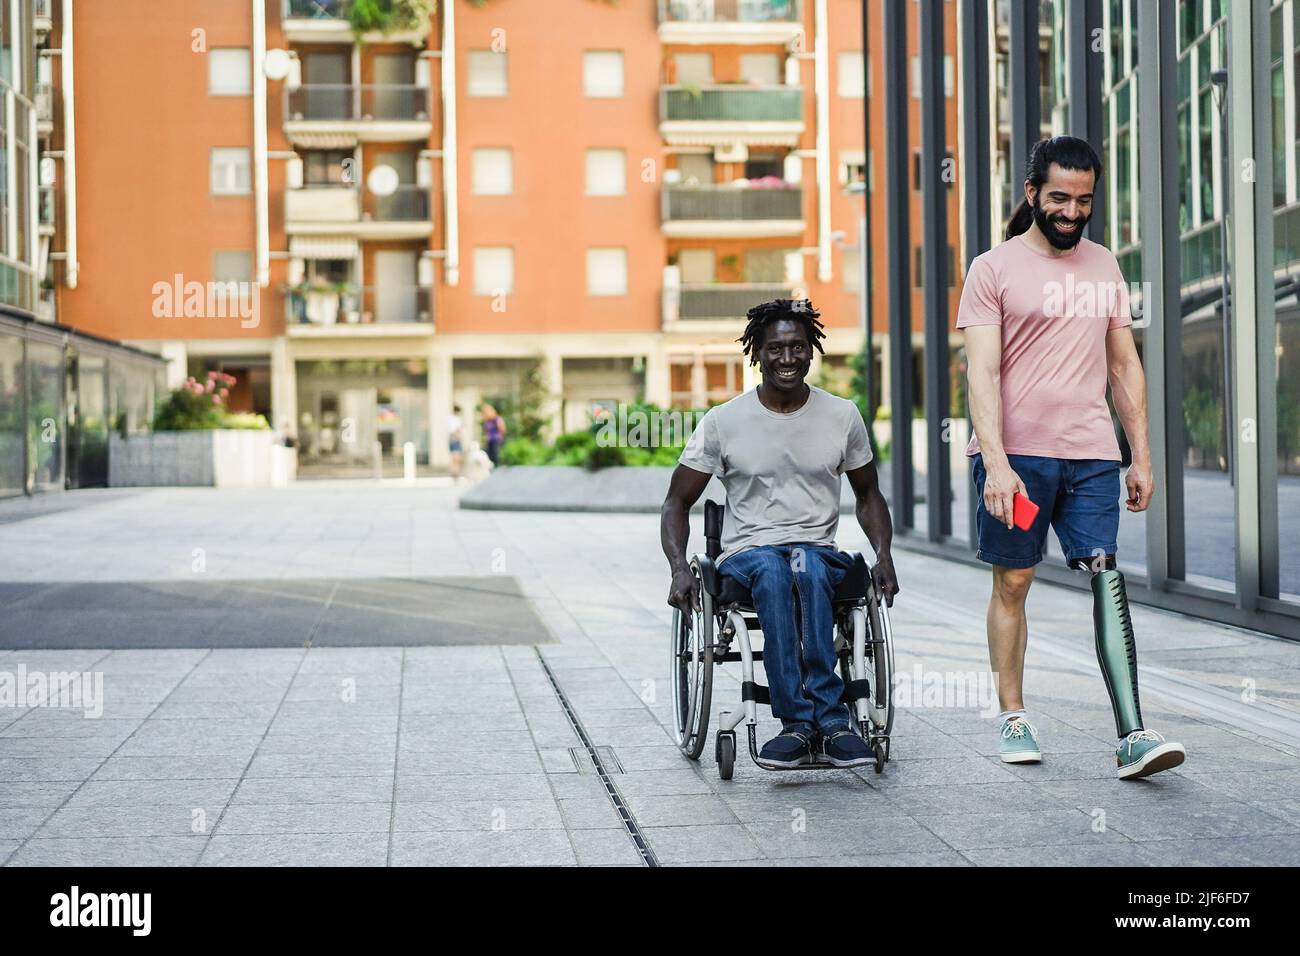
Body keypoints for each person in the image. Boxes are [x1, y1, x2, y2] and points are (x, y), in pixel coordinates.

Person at [960, 135, 1186, 779]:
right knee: (1014, 582)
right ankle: (1013, 715)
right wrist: (996, 463)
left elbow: (1124, 366)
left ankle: (1133, 734)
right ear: (1032, 193)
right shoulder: (992, 269)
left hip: (1090, 454)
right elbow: (981, 373)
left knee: (1106, 578)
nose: (1071, 211)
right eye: (1059, 197)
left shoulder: (1105, 266)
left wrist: (1140, 455)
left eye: (1083, 200)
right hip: (1019, 457)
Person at [661, 299, 899, 768]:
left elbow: (868, 494)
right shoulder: (724, 421)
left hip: (817, 551)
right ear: (757, 354)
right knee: (774, 567)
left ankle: (829, 724)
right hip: (748, 554)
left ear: (812, 351)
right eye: (775, 349)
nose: (787, 358)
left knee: (805, 565)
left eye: (797, 347)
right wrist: (676, 569)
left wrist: (885, 555)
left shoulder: (842, 416)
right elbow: (676, 502)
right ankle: (799, 724)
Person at [448, 404, 464, 481]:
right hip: (455, 440)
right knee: (456, 458)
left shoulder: (450, 419)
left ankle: (455, 473)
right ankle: (455, 474)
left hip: (453, 440)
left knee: (454, 458)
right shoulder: (456, 419)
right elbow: (455, 431)